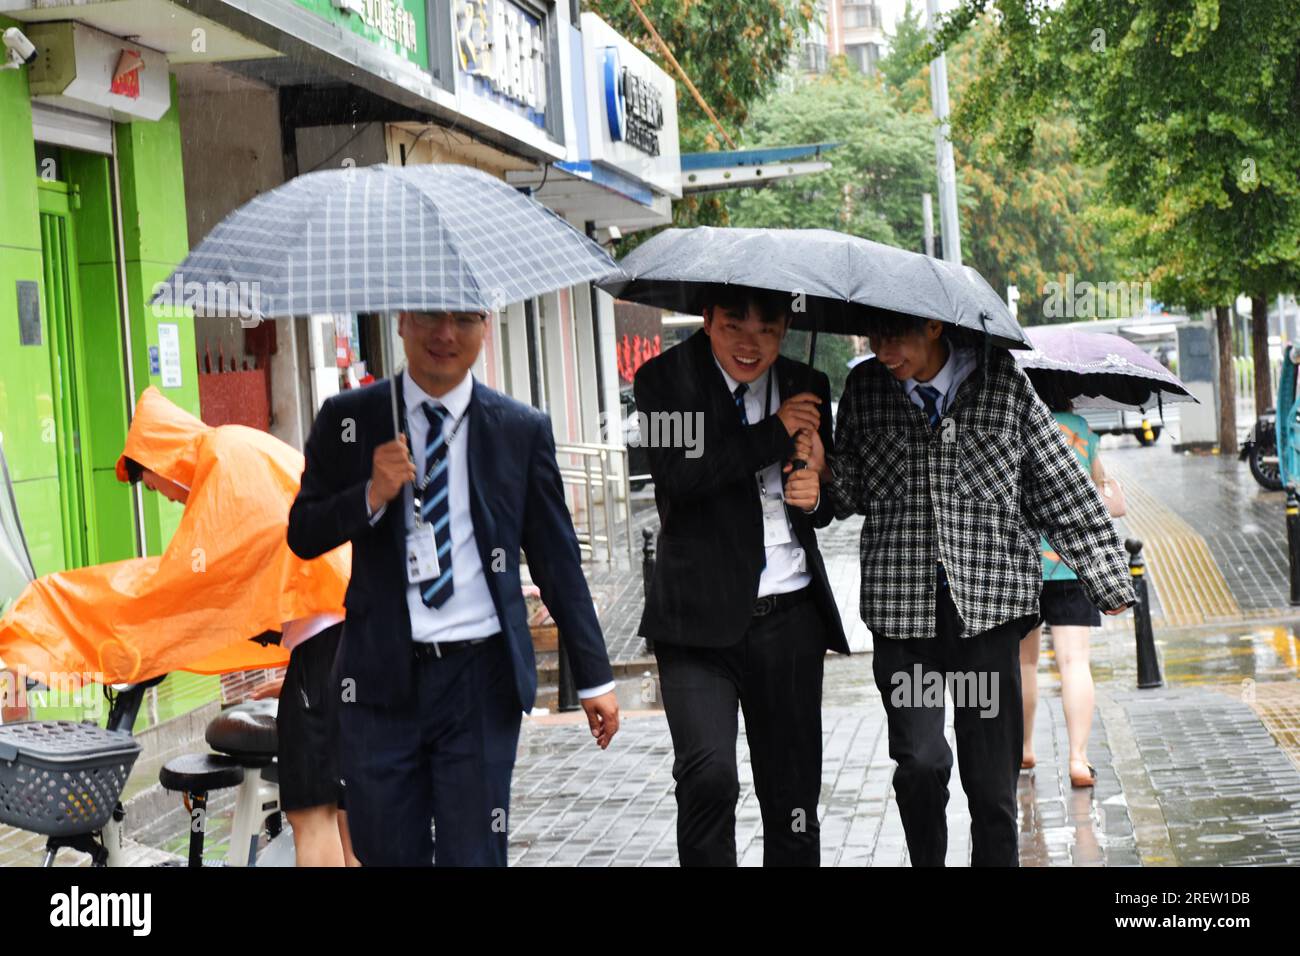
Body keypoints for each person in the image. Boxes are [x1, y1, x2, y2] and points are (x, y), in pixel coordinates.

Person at [287, 309, 620, 867]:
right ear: (400, 322)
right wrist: (371, 493)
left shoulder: (519, 429)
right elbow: (303, 533)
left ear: (485, 327)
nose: (445, 335)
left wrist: (594, 676)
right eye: (429, 318)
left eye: (463, 320)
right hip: (378, 682)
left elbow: (556, 558)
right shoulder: (350, 419)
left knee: (475, 853)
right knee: (387, 851)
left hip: (479, 679)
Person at [810, 316, 1135, 866]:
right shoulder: (866, 388)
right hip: (902, 615)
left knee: (991, 791)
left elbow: (1058, 484)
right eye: (874, 338)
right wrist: (821, 471)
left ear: (934, 325)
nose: (883, 350)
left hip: (987, 615)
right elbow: (849, 492)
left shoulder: (1001, 382)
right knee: (921, 763)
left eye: (896, 336)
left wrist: (1107, 575)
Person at [634, 285, 849, 867]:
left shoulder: (809, 385)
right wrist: (773, 432)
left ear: (785, 326)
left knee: (793, 802)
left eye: (768, 328)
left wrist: (817, 490)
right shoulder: (661, 382)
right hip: (696, 624)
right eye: (735, 326)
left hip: (790, 618)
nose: (751, 345)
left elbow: (824, 504)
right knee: (709, 780)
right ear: (706, 319)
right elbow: (681, 477)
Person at [120, 452, 358, 867]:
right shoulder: (244, 459)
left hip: (323, 647)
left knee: (313, 816)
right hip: (350, 633)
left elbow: (217, 590)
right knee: (349, 815)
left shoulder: (221, 474)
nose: (172, 501)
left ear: (163, 465)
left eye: (160, 489)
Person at [1019, 387, 1111, 789]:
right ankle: (1078, 758)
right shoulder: (1081, 431)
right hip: (1074, 563)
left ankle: (1022, 747)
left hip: (1024, 563)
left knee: (1023, 663)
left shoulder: (1018, 425)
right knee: (1075, 663)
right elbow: (1100, 491)